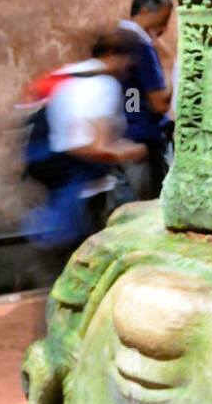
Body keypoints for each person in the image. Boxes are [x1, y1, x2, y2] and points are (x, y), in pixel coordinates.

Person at [24, 29, 149, 253]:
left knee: (66, 237)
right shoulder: (103, 85)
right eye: (127, 57)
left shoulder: (71, 73)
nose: (128, 65)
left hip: (56, 168)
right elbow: (96, 147)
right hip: (81, 177)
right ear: (111, 54)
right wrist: (133, 151)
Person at [117, 0, 174, 198]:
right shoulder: (142, 47)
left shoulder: (115, 40)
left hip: (122, 136)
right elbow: (159, 103)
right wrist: (169, 68)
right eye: (164, 18)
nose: (165, 27)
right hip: (144, 140)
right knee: (147, 206)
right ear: (144, 11)